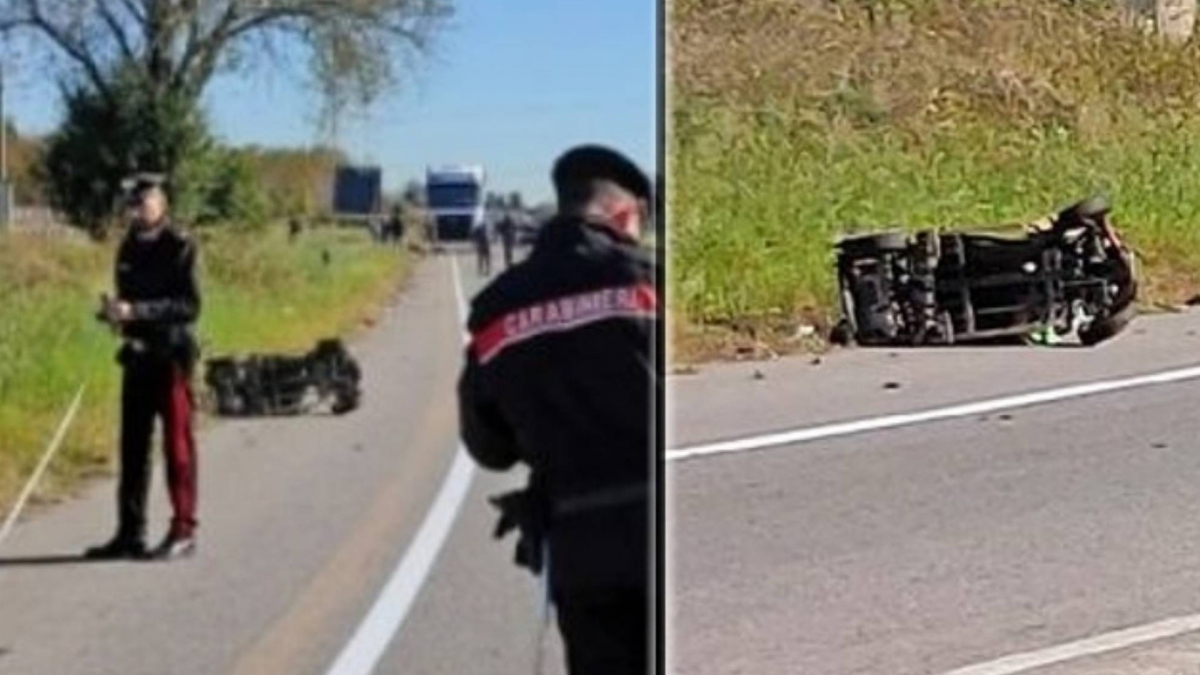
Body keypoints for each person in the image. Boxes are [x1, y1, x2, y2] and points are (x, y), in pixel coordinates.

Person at [457, 145, 656, 675]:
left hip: (579, 548)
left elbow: (488, 446)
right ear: (623, 214)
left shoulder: (497, 306)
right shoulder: (648, 283)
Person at [87, 174, 201, 561]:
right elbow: (127, 299)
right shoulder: (128, 246)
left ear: (162, 203)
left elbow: (189, 306)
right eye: (132, 204)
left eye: (144, 202)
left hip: (170, 358)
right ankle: (129, 533)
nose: (137, 210)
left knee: (177, 447)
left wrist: (139, 311)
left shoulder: (180, 245)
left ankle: (183, 529)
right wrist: (115, 315)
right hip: (136, 357)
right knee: (133, 449)